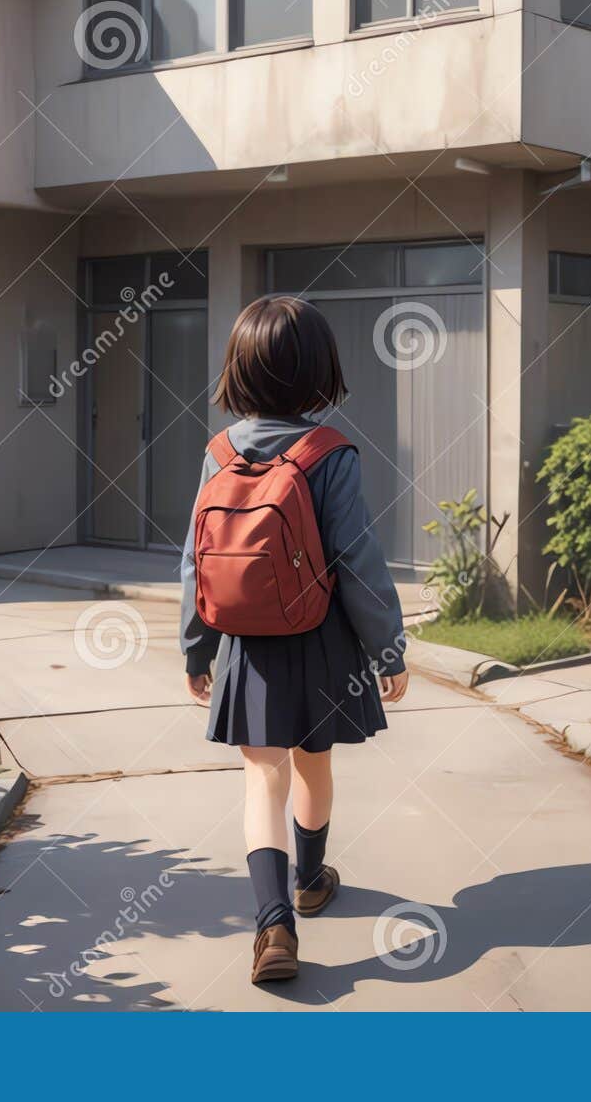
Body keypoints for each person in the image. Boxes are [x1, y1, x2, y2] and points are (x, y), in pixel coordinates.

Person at [180, 294, 409, 986]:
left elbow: (195, 560)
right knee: (314, 764)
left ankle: (273, 924)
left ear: (239, 368)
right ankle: (310, 880)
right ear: (319, 370)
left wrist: (196, 649)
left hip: (246, 646)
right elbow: (357, 560)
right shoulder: (329, 453)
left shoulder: (218, 452)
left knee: (262, 777)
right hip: (320, 639)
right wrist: (388, 648)